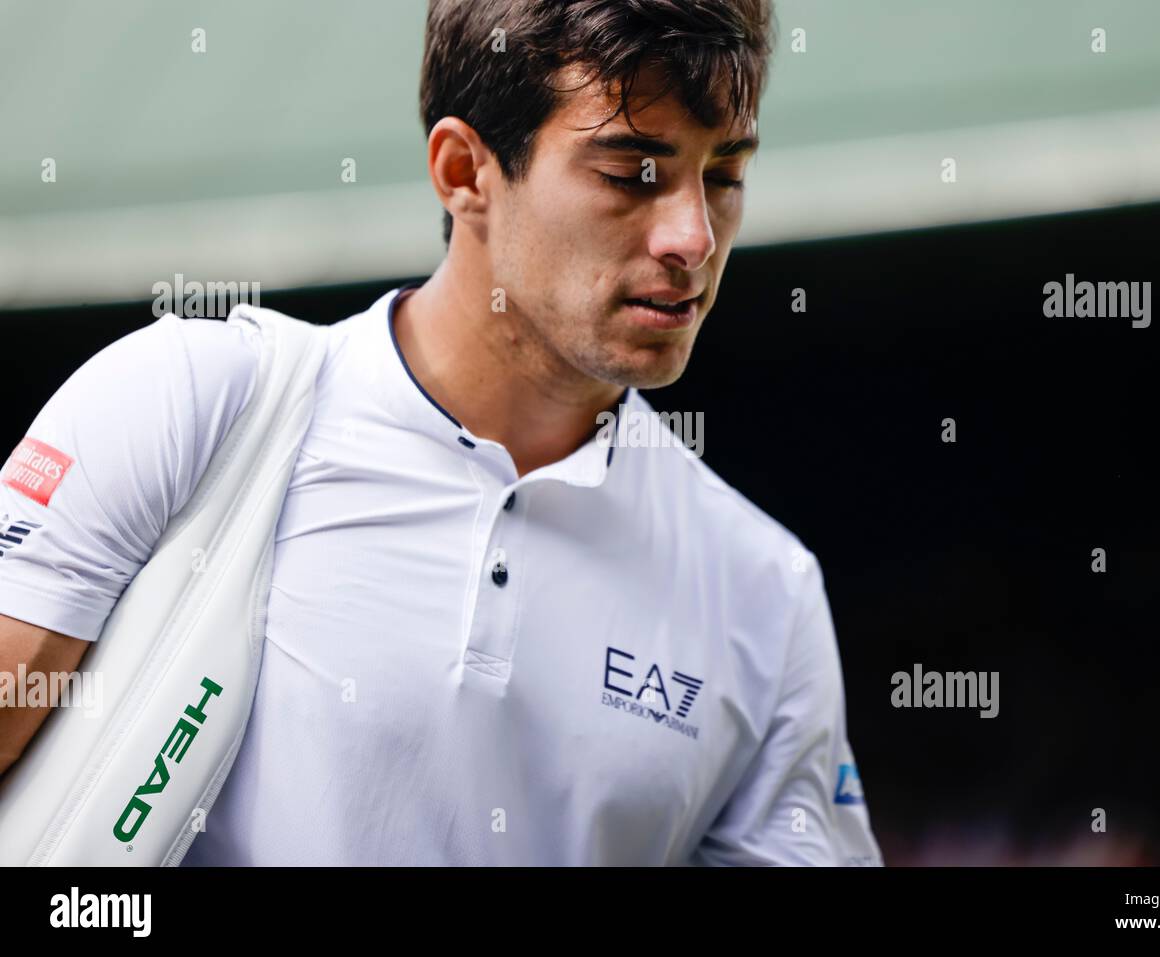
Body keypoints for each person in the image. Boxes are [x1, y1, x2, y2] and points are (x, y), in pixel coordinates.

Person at [0, 0, 882, 866]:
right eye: (631, 173)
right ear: (464, 171)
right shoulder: (190, 403)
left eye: (724, 176)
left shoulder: (766, 593)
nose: (694, 236)